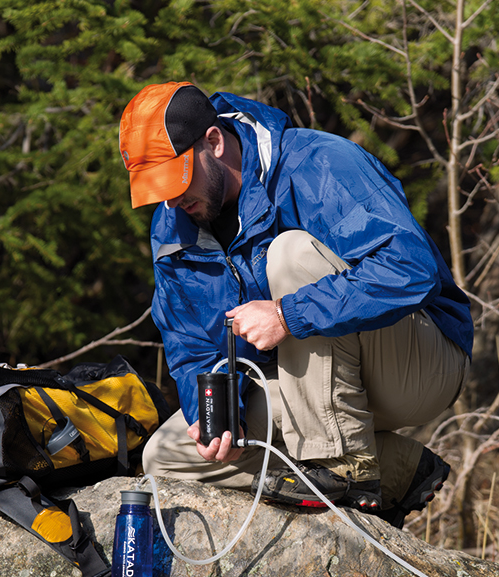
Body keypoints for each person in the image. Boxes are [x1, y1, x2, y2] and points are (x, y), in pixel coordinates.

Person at [118, 81, 472, 526]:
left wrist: (288, 316)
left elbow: (410, 268)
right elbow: (190, 345)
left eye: (177, 179)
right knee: (166, 457)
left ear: (214, 142)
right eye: (158, 187)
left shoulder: (318, 163)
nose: (171, 198)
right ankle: (397, 467)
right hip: (311, 389)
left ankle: (347, 469)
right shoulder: (173, 225)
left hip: (416, 368)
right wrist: (213, 413)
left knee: (291, 256)